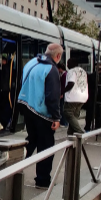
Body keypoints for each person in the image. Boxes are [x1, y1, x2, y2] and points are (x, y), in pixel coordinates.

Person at [17, 44, 63, 189]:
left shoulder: (31, 63)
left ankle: (14, 170)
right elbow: (52, 96)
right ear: (58, 56)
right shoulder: (51, 69)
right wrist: (56, 117)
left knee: (31, 141)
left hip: (26, 106)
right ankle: (42, 180)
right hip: (43, 113)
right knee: (46, 147)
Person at [62, 57, 88, 135]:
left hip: (72, 97)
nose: (67, 65)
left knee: (68, 113)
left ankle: (80, 132)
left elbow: (71, 83)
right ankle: (71, 134)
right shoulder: (83, 71)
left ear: (71, 64)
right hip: (83, 97)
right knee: (74, 116)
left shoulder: (72, 71)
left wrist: (62, 92)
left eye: (68, 63)